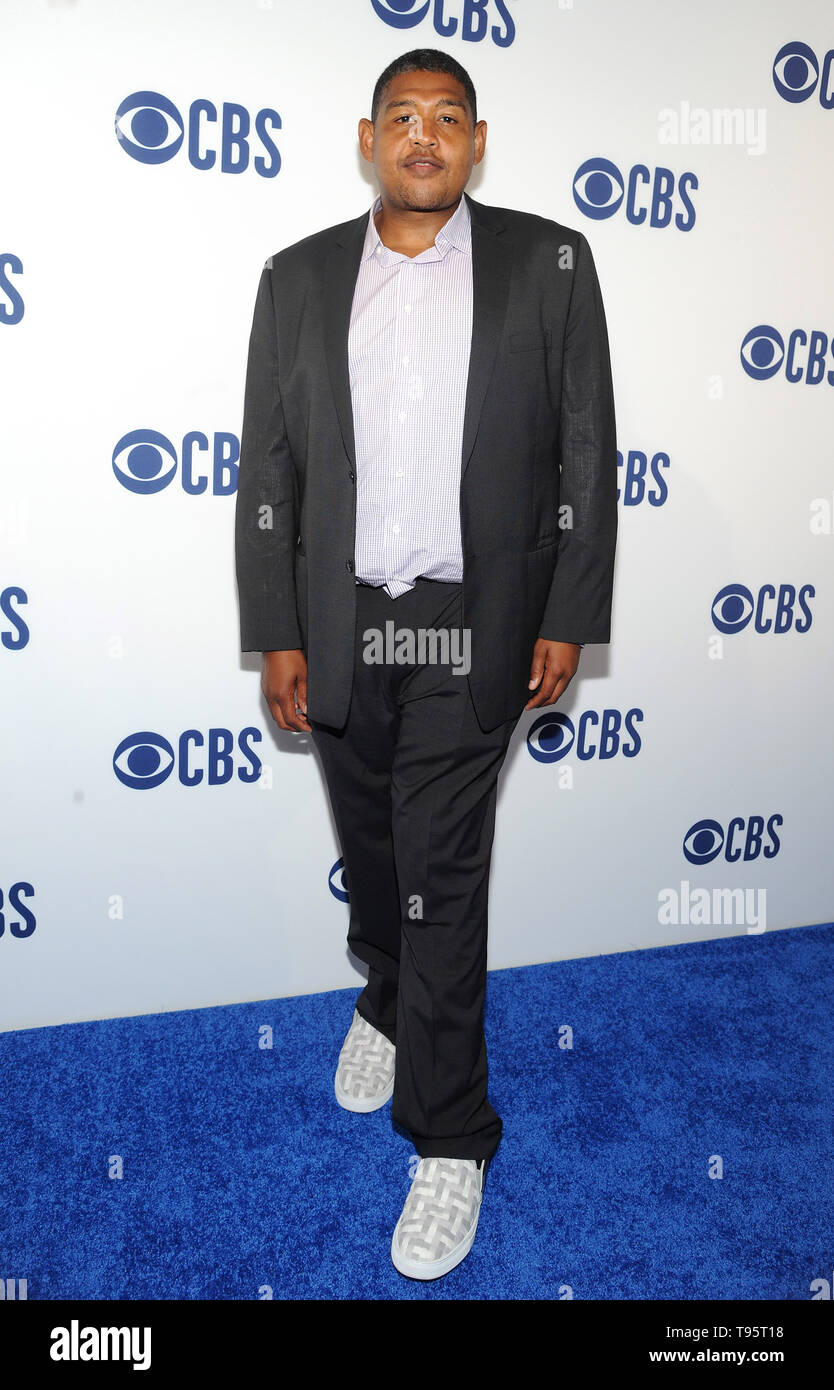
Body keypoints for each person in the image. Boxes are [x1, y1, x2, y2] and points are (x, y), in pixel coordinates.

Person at [234, 47, 617, 1281]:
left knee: (442, 872)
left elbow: (583, 456)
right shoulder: (295, 278)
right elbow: (271, 472)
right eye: (402, 116)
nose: (423, 136)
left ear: (477, 141)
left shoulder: (548, 265)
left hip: (472, 620)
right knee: (381, 849)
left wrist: (568, 608)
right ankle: (387, 997)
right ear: (366, 137)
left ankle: (450, 1135)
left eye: (446, 118)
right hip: (342, 618)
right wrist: (279, 628)